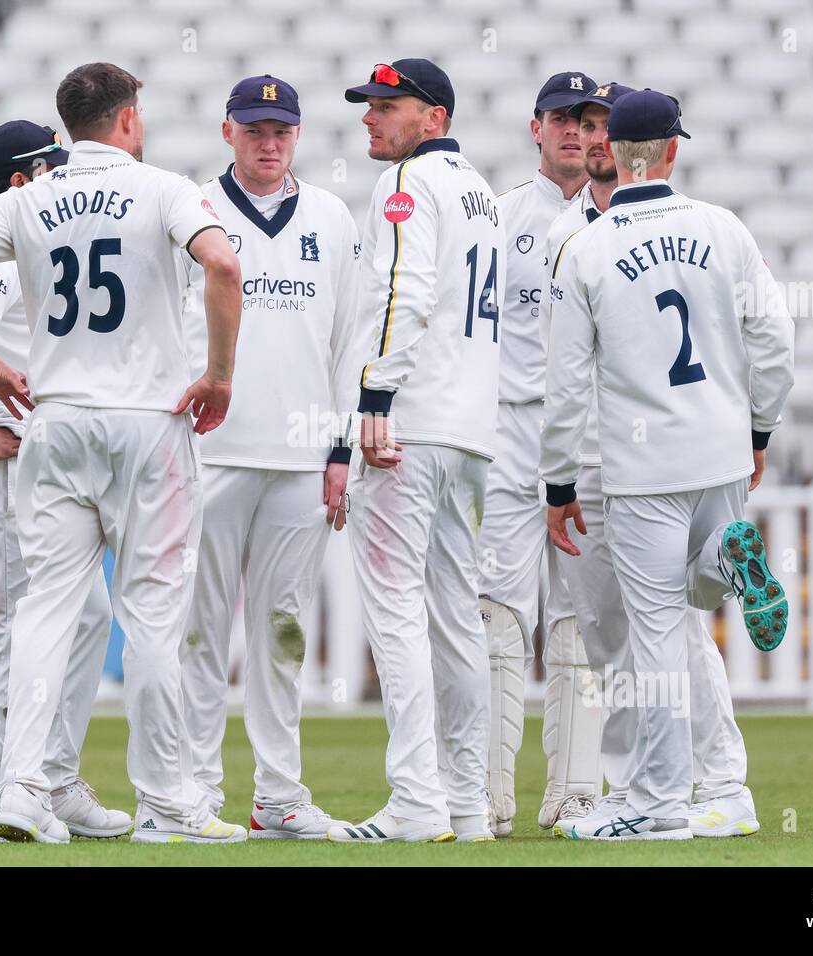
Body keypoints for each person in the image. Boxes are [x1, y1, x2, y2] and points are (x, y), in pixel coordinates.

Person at [0, 62, 247, 845]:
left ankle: (21, 791)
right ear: (128, 119)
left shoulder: (29, 200)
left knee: (45, 615)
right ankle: (168, 804)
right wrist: (219, 377)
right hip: (146, 424)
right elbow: (224, 265)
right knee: (155, 619)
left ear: (72, 122)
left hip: (56, 427)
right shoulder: (164, 188)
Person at [541, 89, 795, 841]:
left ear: (613, 151)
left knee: (652, 635)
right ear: (674, 150)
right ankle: (726, 555)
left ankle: (655, 802)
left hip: (640, 466)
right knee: (689, 606)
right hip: (718, 450)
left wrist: (558, 482)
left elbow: (564, 386)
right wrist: (761, 429)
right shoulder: (724, 227)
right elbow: (775, 342)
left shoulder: (586, 247)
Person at [0, 120, 129, 843]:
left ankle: (51, 777)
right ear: (20, 181)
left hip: (28, 464)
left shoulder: (3, 249)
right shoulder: (1, 258)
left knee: (86, 617)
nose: (64, 183)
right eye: (51, 168)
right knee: (4, 634)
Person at [179, 75, 363, 839]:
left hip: (300, 454)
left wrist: (341, 447)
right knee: (198, 629)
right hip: (210, 452)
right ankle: (187, 791)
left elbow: (351, 340)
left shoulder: (331, 216)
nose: (268, 140)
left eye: (281, 128)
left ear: (297, 134)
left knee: (282, 632)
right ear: (228, 131)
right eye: (254, 128)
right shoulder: (192, 209)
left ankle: (278, 797)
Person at [326, 59, 504, 844]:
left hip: (410, 421)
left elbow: (409, 289)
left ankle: (415, 798)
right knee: (457, 615)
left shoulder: (407, 187)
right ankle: (464, 802)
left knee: (395, 609)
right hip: (471, 428)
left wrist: (373, 397)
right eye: (368, 106)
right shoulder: (483, 193)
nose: (371, 118)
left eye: (387, 107)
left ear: (433, 117)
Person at [479, 70, 601, 839]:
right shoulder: (498, 217)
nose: (574, 132)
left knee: (579, 620)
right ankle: (486, 793)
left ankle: (578, 792)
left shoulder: (620, 223)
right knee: (496, 614)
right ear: (535, 128)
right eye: (560, 118)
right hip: (509, 429)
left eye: (588, 122)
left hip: (589, 438)